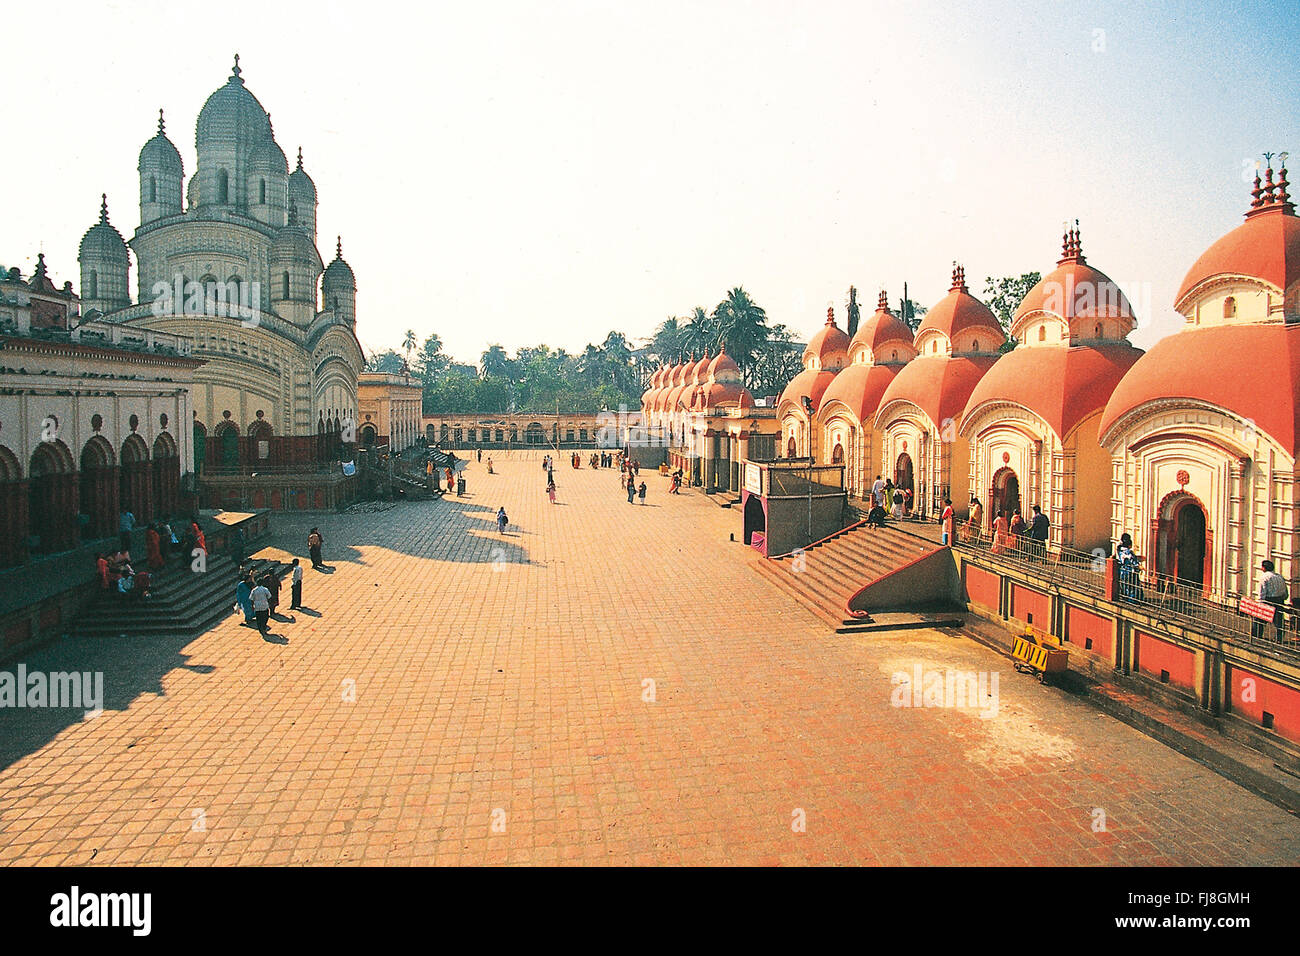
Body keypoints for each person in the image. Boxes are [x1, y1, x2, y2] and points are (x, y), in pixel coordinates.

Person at [1257, 559, 1289, 642]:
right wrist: (1283, 598)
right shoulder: (1279, 577)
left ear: (1264, 568)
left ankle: (1257, 636)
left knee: (1260, 619)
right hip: (1279, 600)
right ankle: (1279, 638)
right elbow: (1285, 591)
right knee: (1279, 621)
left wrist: (1260, 602)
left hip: (1268, 600)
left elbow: (1262, 591)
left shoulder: (1264, 577)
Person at [1116, 533, 1141, 601]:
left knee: (1125, 585)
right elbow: (1133, 561)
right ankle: (1132, 599)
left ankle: (1125, 597)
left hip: (1123, 570)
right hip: (1130, 571)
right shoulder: (1129, 552)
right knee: (1132, 586)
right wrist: (1139, 566)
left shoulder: (1119, 549)